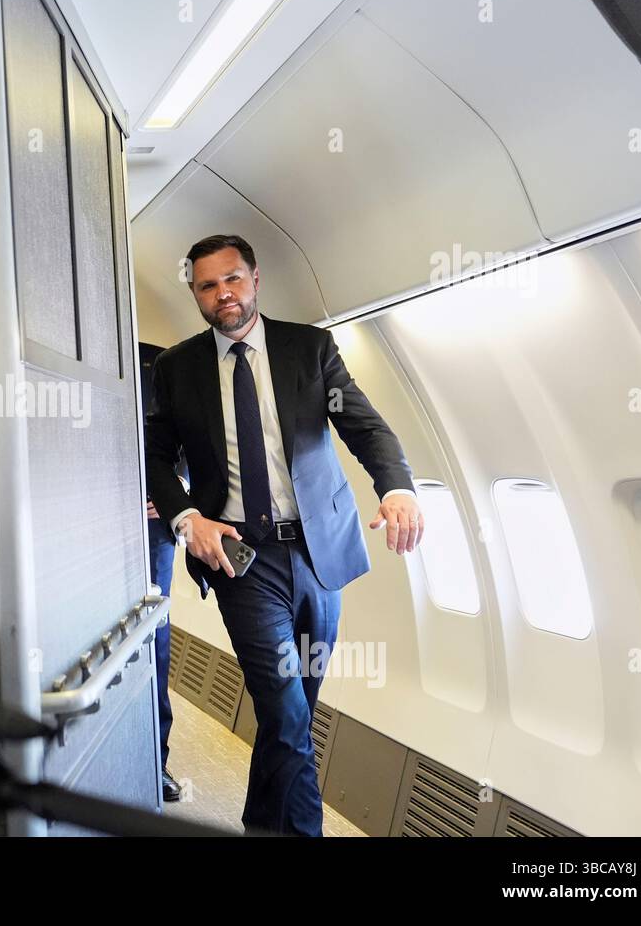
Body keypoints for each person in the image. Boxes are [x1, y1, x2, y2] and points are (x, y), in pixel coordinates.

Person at [143, 234, 424, 836]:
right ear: (194, 293)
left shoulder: (310, 349)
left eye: (233, 279)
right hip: (239, 559)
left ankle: (260, 824)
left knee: (291, 711)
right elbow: (156, 457)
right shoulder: (177, 367)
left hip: (320, 555)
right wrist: (188, 518)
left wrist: (397, 488)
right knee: (286, 708)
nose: (224, 295)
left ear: (255, 279)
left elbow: (365, 428)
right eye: (208, 286)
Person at [139, 342, 185, 803]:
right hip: (89, 513)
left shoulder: (164, 362)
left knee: (156, 633)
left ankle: (156, 758)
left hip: (154, 526)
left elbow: (196, 438)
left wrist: (179, 490)